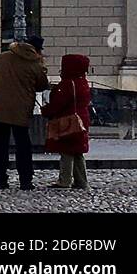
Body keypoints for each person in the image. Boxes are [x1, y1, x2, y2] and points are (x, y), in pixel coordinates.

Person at [0, 34, 49, 190]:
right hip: (21, 109)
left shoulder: (1, 57)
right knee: (23, 146)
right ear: (37, 49)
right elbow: (42, 85)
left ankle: (0, 181)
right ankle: (25, 181)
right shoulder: (35, 64)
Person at [42, 54, 92, 190]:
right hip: (81, 119)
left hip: (68, 120)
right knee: (77, 151)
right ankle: (82, 181)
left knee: (66, 151)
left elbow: (58, 103)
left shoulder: (68, 84)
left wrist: (46, 110)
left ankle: (64, 180)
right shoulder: (83, 82)